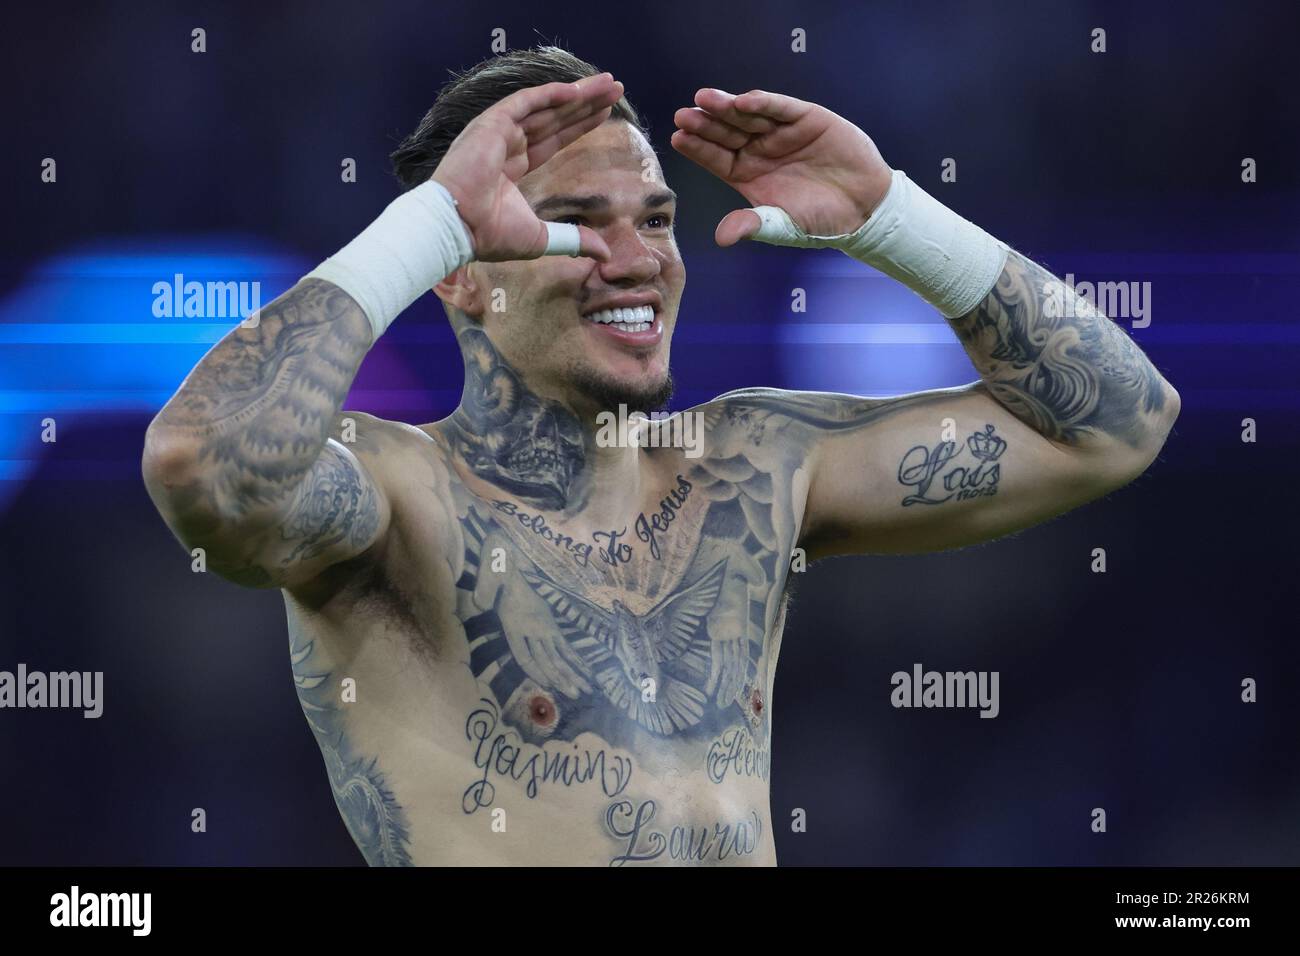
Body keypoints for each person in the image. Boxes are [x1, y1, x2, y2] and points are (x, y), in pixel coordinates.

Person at [141, 47, 1179, 866]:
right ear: (461, 275)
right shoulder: (396, 496)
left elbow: (1116, 424)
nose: (632, 259)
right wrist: (429, 227)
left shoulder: (754, 464)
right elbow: (203, 464)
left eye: (654, 219)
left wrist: (891, 219)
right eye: (573, 227)